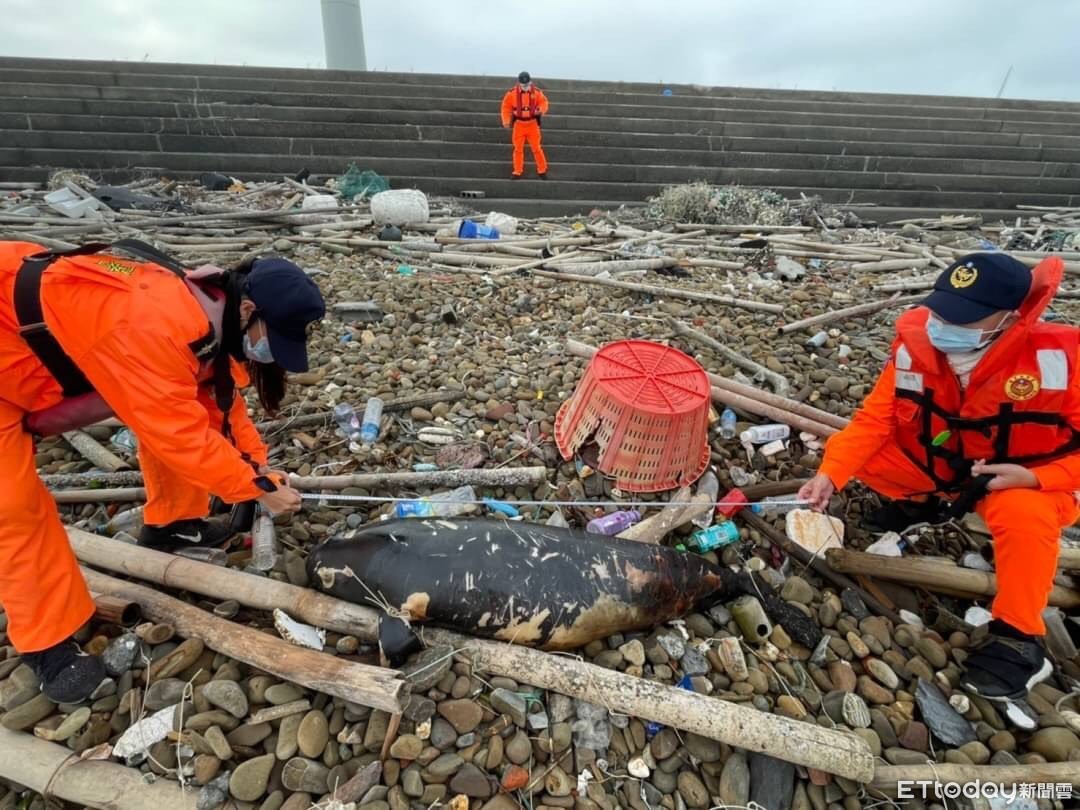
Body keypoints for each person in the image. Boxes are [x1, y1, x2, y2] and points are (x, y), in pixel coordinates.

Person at [0, 239, 324, 702]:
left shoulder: (208, 316)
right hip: (7, 355)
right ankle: (46, 644)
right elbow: (180, 439)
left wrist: (261, 473)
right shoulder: (151, 323)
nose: (270, 353)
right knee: (14, 509)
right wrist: (256, 492)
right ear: (249, 308)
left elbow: (219, 412)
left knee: (173, 406)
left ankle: (172, 524)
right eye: (275, 339)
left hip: (36, 350)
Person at [799, 252, 1080, 701]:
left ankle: (1019, 638)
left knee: (1022, 514)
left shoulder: (1063, 360)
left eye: (963, 318)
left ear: (1009, 319)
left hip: (1020, 481)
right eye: (942, 309)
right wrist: (830, 475)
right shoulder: (916, 345)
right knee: (860, 455)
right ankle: (922, 505)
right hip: (943, 468)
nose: (941, 323)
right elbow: (875, 419)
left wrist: (1034, 478)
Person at [501, 70, 550, 179]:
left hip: (532, 124)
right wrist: (506, 120)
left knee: (537, 148)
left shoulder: (537, 92)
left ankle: (542, 170)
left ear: (530, 82)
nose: (525, 87)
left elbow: (544, 102)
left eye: (527, 85)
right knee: (518, 149)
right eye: (523, 85)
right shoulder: (511, 93)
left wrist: (541, 110)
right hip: (519, 124)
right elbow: (505, 107)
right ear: (519, 83)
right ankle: (517, 171)